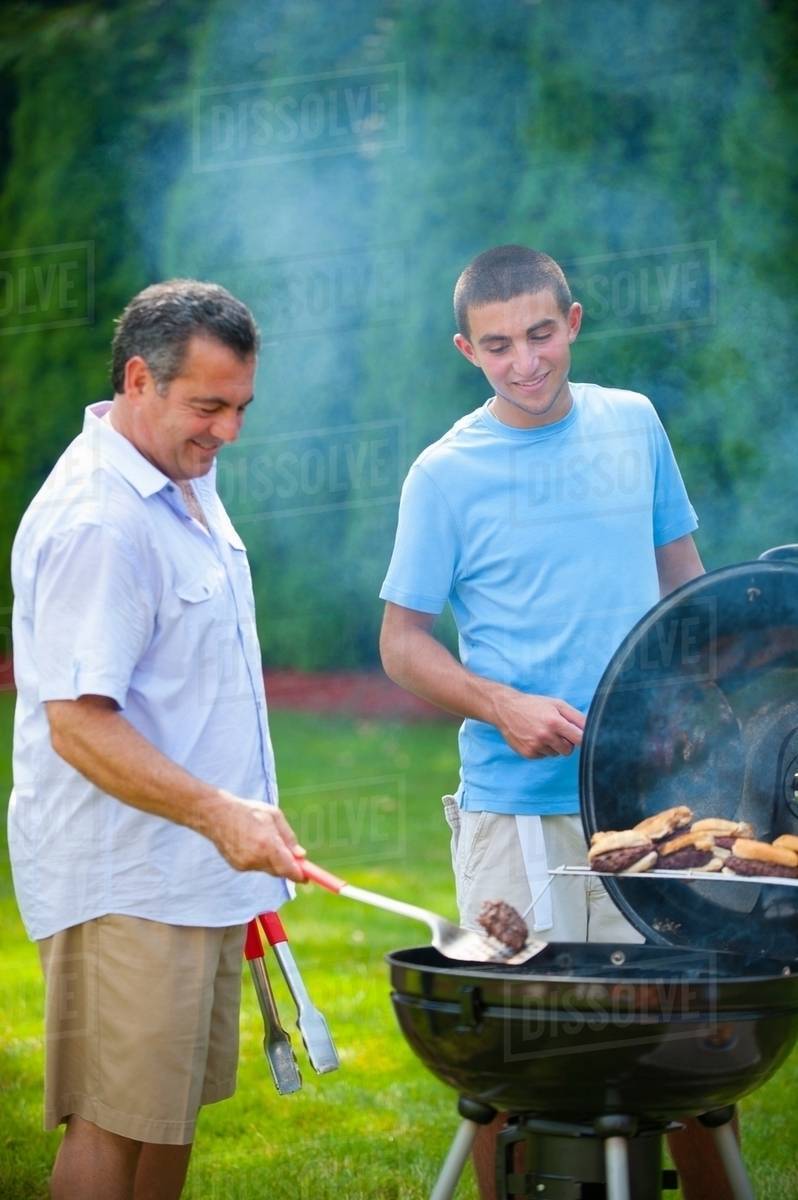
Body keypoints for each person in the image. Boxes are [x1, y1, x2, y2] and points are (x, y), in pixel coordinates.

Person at [378, 245, 734, 1200]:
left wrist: (703, 699)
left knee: (690, 1058)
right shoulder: (443, 474)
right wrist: (502, 704)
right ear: (467, 349)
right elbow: (402, 644)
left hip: (650, 801)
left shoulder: (634, 423)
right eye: (498, 346)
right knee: (511, 1065)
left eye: (541, 334)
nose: (525, 362)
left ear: (572, 322)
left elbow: (682, 582)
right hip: (516, 810)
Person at [9, 280, 307, 1200]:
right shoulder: (99, 520)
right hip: (126, 877)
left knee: (167, 1117)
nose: (229, 432)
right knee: (112, 1122)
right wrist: (219, 813)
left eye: (241, 407)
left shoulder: (180, 473)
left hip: (193, 871)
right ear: (139, 379)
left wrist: (231, 822)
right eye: (209, 406)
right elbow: (77, 725)